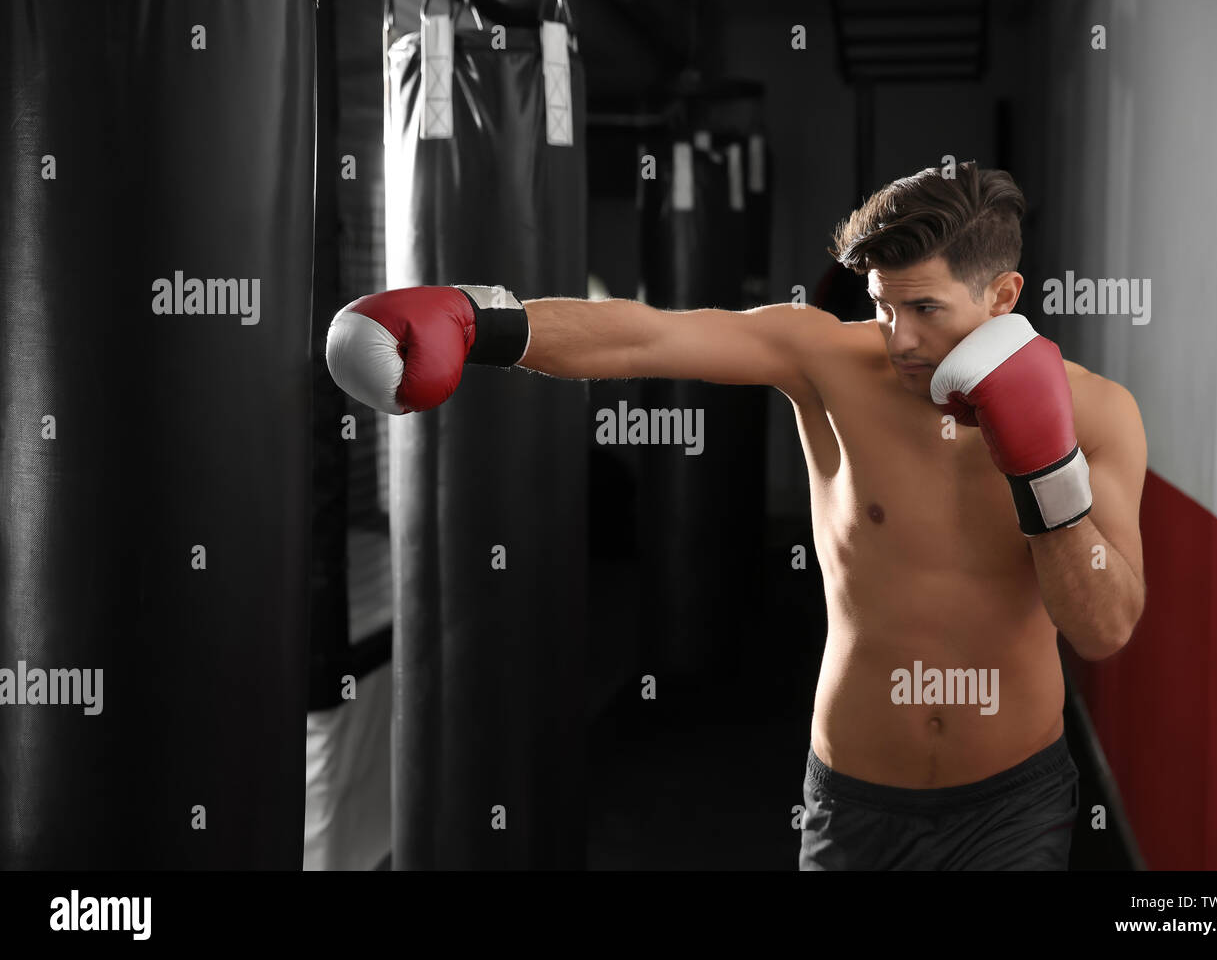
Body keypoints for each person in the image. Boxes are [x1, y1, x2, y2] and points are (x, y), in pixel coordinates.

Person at [325, 161, 1147, 870]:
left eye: (925, 308)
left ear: (1003, 293)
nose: (898, 340)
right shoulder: (827, 358)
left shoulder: (1097, 415)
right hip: (856, 798)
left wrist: (1046, 472)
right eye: (882, 305)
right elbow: (646, 338)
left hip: (1009, 806)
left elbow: (1104, 628)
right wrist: (484, 323)